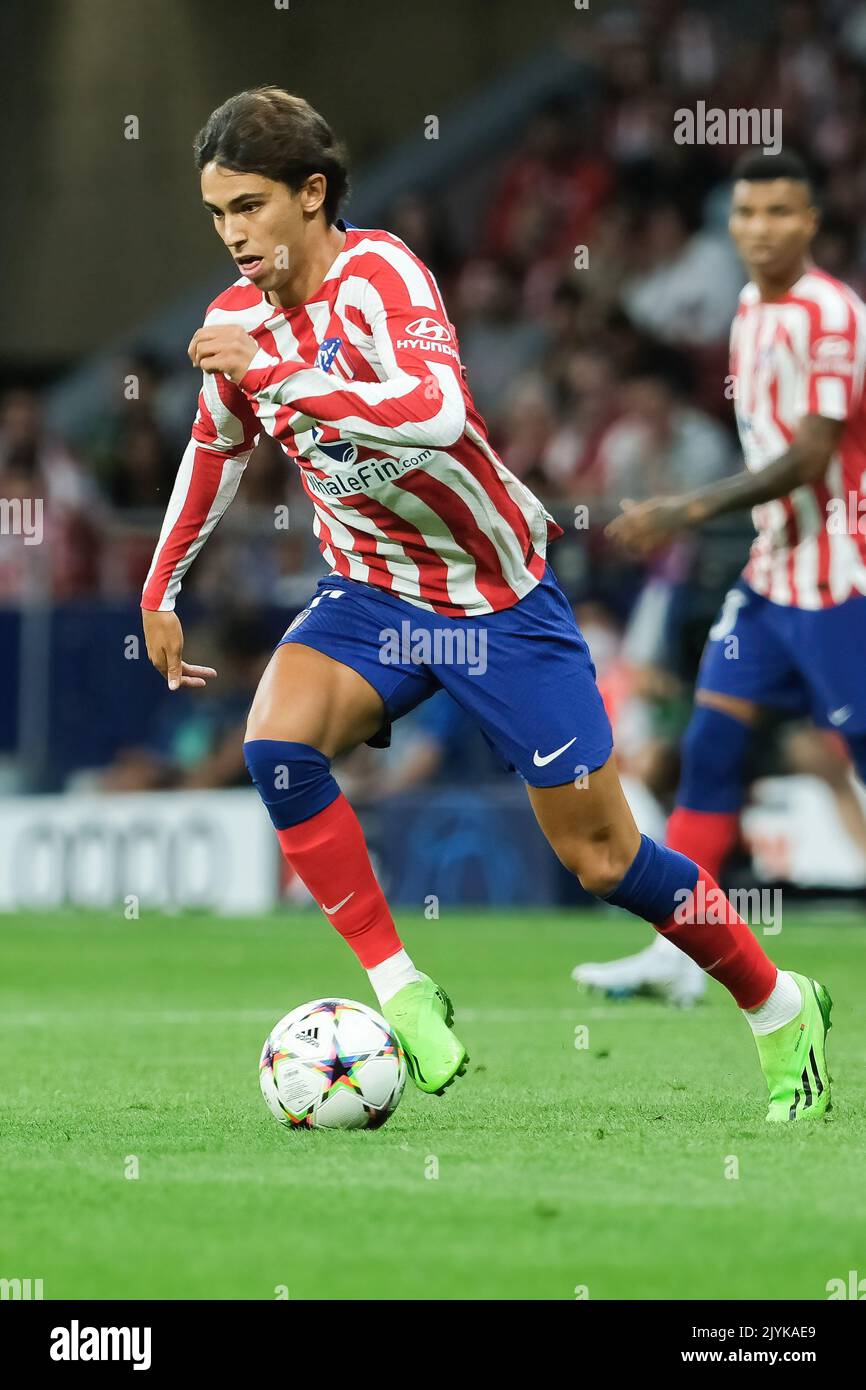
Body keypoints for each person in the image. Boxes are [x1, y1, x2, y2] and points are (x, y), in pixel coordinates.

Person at [141, 93, 830, 1120]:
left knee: (601, 856)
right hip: (371, 588)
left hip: (496, 599)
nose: (232, 233)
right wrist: (160, 588)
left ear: (312, 194)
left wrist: (281, 373)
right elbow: (215, 449)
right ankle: (400, 989)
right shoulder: (232, 323)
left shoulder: (380, 277)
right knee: (275, 746)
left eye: (248, 205)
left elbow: (437, 411)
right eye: (215, 214)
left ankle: (778, 1007)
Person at [592, 149, 865, 1039]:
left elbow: (813, 454)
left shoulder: (832, 314)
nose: (761, 228)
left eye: (781, 212)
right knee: (708, 752)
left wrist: (689, 507)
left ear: (811, 223)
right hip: (772, 578)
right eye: (747, 213)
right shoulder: (750, 310)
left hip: (843, 577)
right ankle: (680, 955)